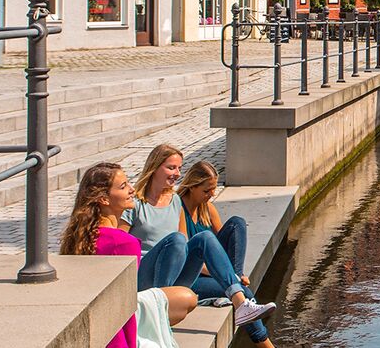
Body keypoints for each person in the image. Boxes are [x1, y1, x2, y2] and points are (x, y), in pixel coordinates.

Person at [126, 145, 275, 328]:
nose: (177, 173)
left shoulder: (175, 201)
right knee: (177, 240)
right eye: (171, 167)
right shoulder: (135, 204)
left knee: (204, 238)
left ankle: (240, 303)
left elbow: (185, 247)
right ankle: (159, 308)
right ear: (154, 167)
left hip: (176, 277)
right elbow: (120, 247)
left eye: (179, 168)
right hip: (147, 277)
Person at [60, 162, 197, 348]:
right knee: (187, 297)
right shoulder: (124, 242)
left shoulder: (78, 236)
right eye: (123, 186)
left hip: (92, 316)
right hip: (114, 327)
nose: (132, 190)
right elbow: (125, 306)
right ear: (104, 199)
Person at [178, 161, 275, 348]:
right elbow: (183, 258)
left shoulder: (207, 209)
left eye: (213, 190)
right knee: (244, 293)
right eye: (207, 191)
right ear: (192, 186)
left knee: (237, 223)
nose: (211, 195)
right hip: (192, 276)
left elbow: (221, 249)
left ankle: (235, 277)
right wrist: (224, 276)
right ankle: (266, 346)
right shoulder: (180, 211)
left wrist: (231, 273)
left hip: (215, 270)